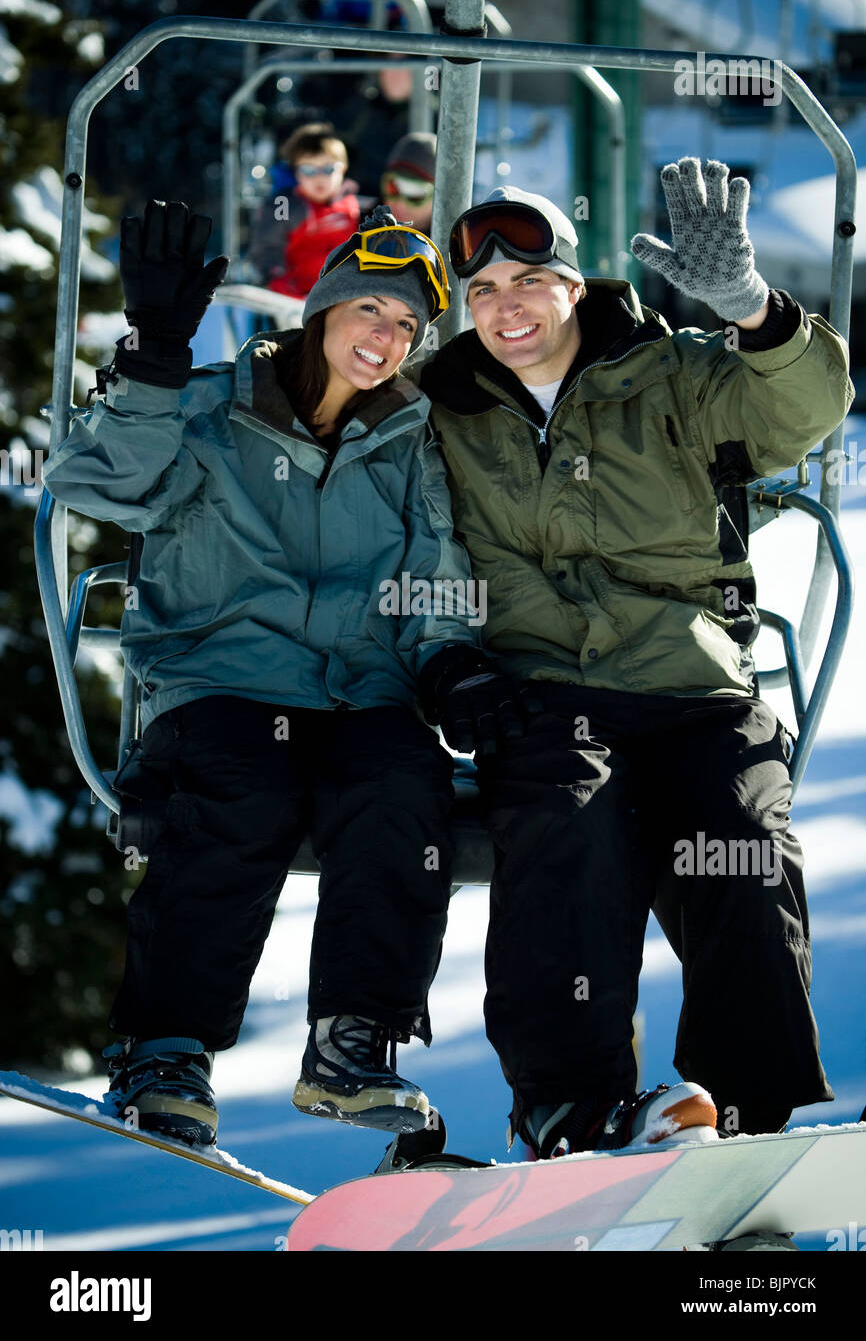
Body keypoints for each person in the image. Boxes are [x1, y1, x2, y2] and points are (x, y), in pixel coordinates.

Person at [416, 161, 853, 1164]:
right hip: (546, 692)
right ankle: (569, 1105)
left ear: (573, 284)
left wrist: (753, 312)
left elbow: (802, 412)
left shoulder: (669, 374)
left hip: (693, 685)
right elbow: (389, 533)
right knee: (567, 829)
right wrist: (446, 659)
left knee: (742, 848)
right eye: (480, 291)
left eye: (525, 281)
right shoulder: (443, 414)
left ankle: (747, 1121)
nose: (503, 306)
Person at [42, 200, 500, 1148]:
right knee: (240, 790)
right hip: (222, 682)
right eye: (372, 311)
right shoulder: (210, 409)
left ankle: (354, 1043)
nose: (386, 339)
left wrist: (451, 663)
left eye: (407, 328)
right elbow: (96, 483)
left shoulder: (408, 437)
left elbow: (434, 571)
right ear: (324, 308)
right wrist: (154, 359)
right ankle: (166, 1049)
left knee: (401, 785)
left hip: (360, 690)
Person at [263, 122, 360, 298]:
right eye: (308, 170)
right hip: (295, 296)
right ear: (296, 172)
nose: (319, 178)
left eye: (328, 169)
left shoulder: (352, 205)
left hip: (342, 293)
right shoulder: (285, 205)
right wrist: (276, 277)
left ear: (343, 170)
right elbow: (269, 246)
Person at [380, 132, 436, 234]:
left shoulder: (460, 245)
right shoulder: (359, 230)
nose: (399, 205)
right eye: (393, 188)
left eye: (414, 194)